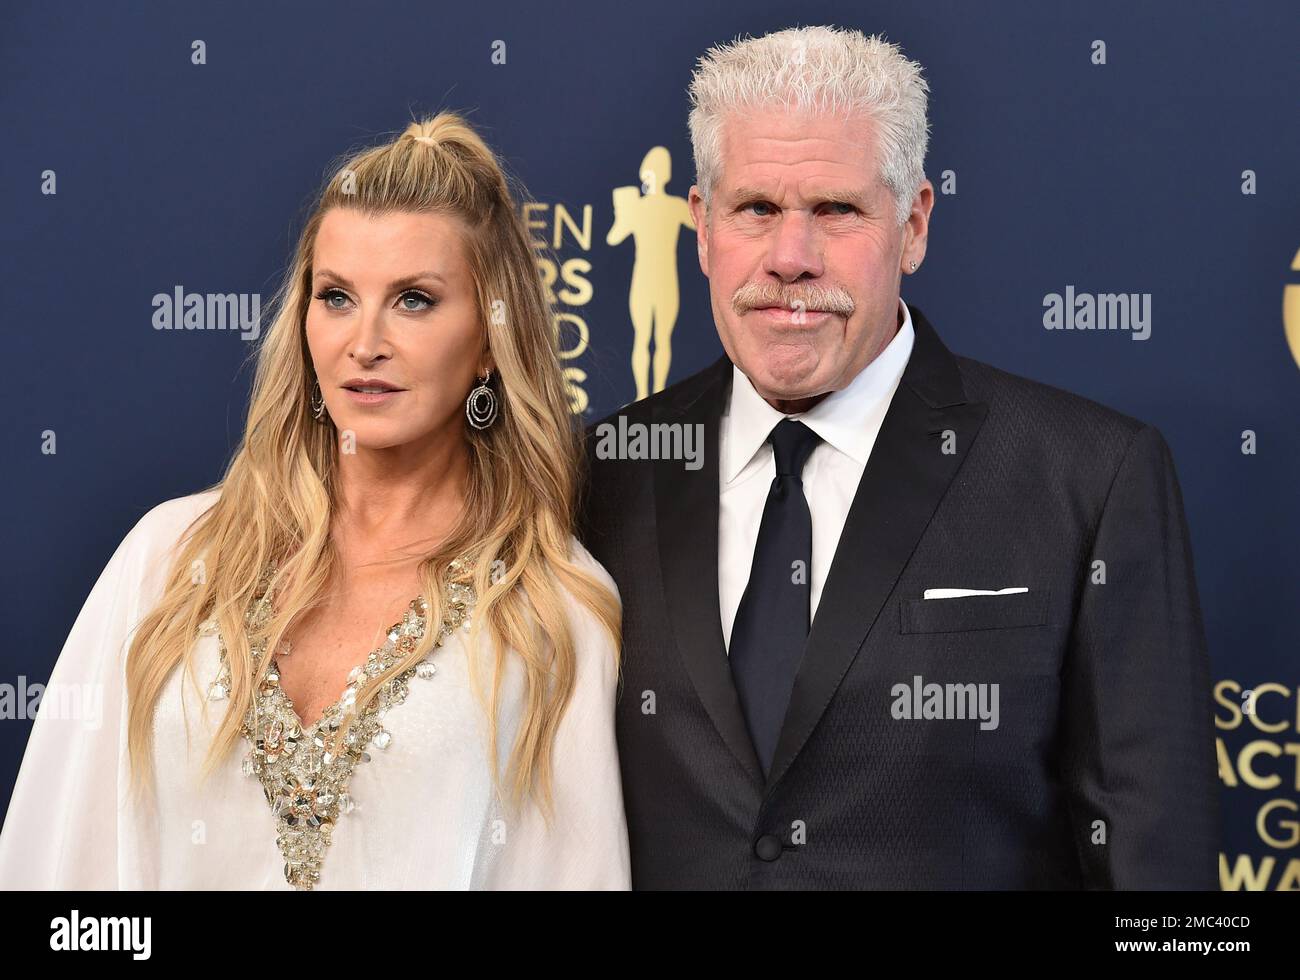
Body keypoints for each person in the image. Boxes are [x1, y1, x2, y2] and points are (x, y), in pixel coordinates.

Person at [580, 26, 1220, 889]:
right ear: (700, 226)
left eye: (837, 211)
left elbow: (1163, 885)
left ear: (913, 225)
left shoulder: (1088, 479)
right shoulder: (598, 476)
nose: (790, 259)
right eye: (756, 209)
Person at [0, 113, 630, 890]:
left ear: (491, 341)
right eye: (336, 297)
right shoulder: (170, 558)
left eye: (414, 301)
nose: (365, 342)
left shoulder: (553, 610)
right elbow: (58, 869)